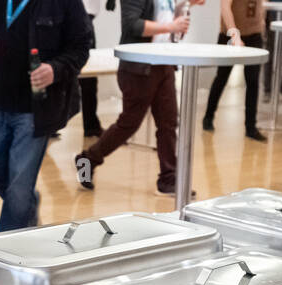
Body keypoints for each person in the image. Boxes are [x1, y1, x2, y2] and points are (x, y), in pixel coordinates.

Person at [0, 0, 91, 231]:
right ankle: (27, 202)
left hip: (34, 110)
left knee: (18, 190)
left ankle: (8, 254)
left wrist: (55, 69)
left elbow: (81, 47)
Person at [75, 0, 205, 198]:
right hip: (139, 67)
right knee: (129, 124)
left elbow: (168, 22)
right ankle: (88, 159)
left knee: (168, 122)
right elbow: (132, 24)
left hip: (164, 63)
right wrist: (171, 26)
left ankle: (168, 179)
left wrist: (185, 8)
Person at [203, 0, 267, 142]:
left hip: (254, 34)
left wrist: (261, 20)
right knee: (222, 78)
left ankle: (251, 127)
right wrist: (234, 35)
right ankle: (208, 117)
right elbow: (225, 7)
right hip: (231, 35)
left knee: (253, 81)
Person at [79, 0, 110, 138]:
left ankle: (91, 125)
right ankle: (91, 125)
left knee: (88, 77)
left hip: (82, 17)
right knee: (88, 78)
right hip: (81, 18)